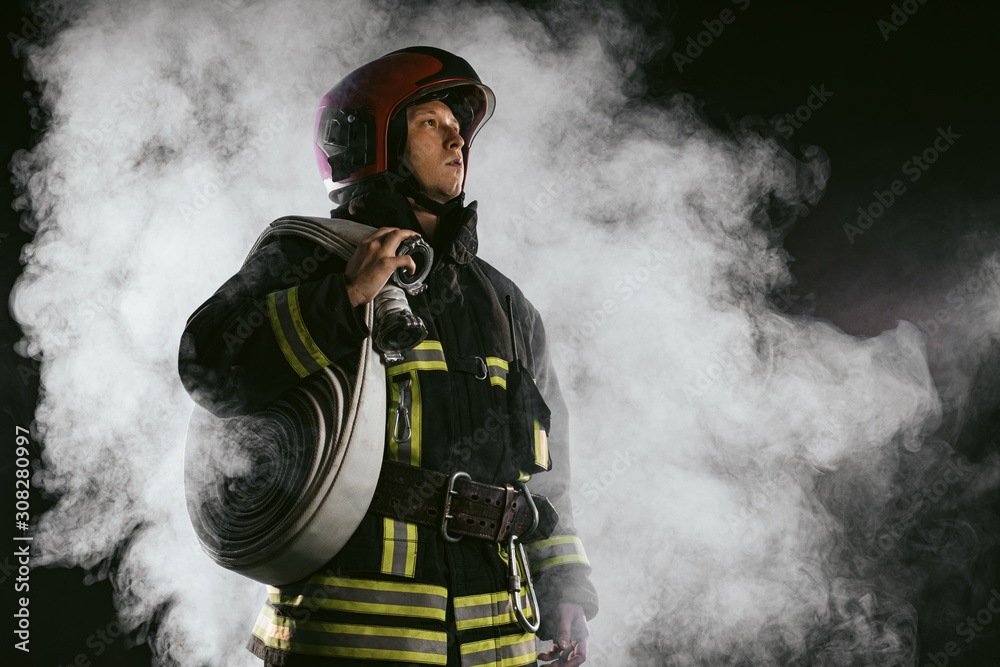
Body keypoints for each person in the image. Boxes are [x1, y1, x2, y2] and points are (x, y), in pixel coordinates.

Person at [178, 46, 598, 667]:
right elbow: (208, 368)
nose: (457, 138)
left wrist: (563, 589)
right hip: (350, 636)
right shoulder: (310, 258)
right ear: (370, 140)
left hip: (496, 643)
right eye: (432, 121)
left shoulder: (505, 304)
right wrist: (344, 296)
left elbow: (546, 468)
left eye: (460, 127)